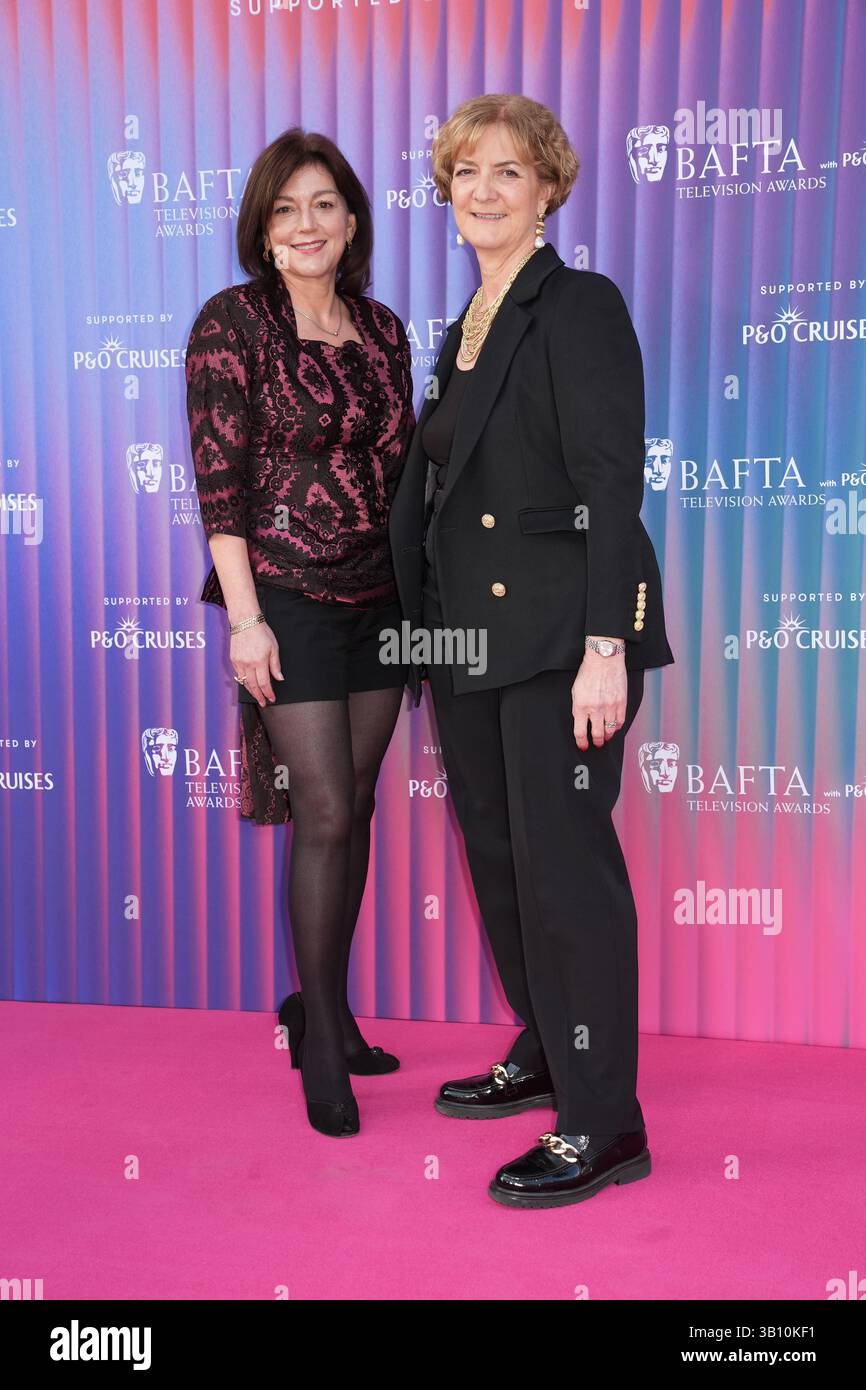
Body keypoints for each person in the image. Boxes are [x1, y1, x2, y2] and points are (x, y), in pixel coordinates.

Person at [388, 94, 675, 1208]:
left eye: (509, 172)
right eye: (467, 172)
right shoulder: (468, 324)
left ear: (547, 188)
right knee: (502, 865)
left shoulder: (577, 305)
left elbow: (611, 483)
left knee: (564, 880)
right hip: (466, 641)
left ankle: (603, 1122)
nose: (485, 190)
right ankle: (550, 1048)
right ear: (446, 192)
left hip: (560, 636)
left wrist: (608, 643)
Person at [185, 129, 414, 1139]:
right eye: (285, 209)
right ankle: (320, 1036)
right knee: (323, 811)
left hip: (383, 600)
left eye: (323, 204)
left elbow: (406, 469)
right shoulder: (231, 324)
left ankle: (328, 1005)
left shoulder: (383, 327)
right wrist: (243, 620)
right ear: (260, 229)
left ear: (352, 219)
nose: (306, 224)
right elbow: (219, 485)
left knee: (355, 803)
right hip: (285, 597)